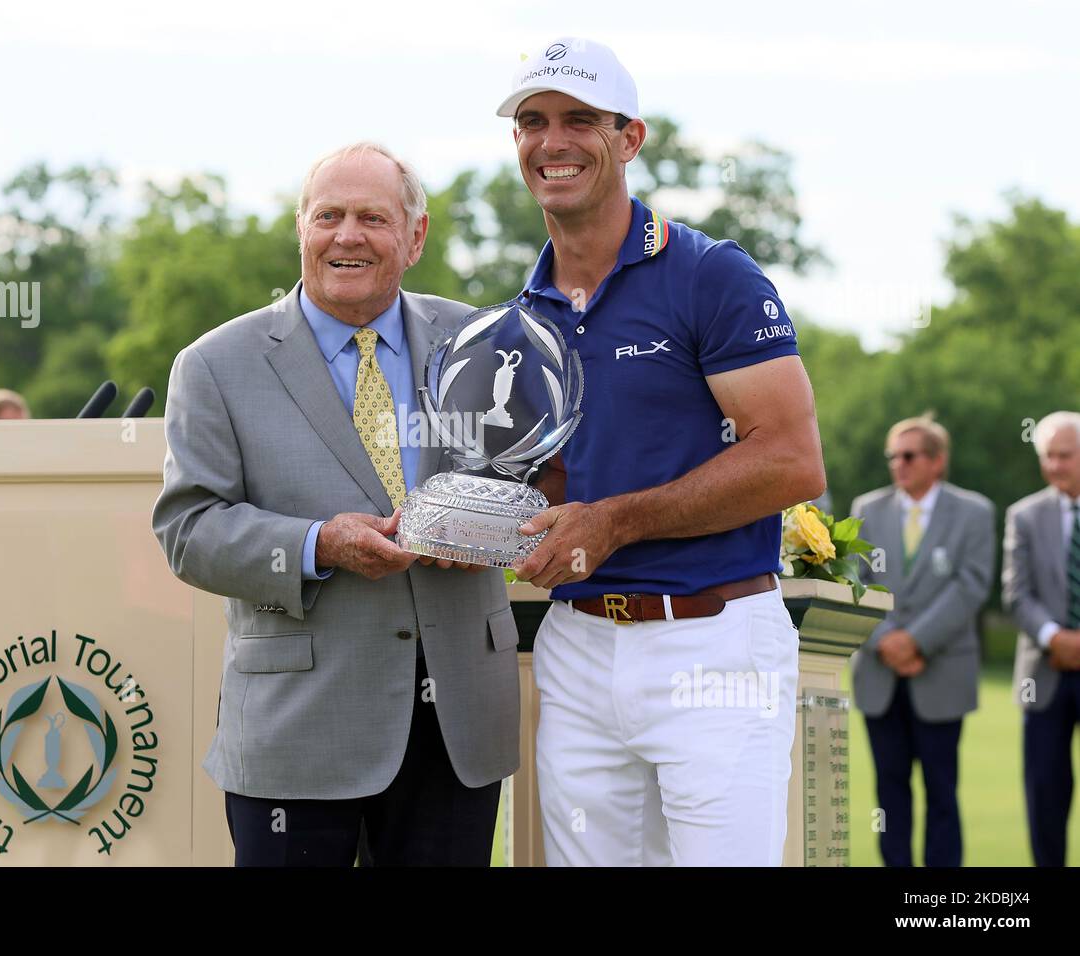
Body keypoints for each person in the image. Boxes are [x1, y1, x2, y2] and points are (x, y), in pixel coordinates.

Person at [503, 36, 825, 866]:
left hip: (711, 641)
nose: (553, 141)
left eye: (581, 119)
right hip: (574, 644)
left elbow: (791, 461)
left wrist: (612, 523)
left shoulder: (711, 274)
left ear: (629, 137)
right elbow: (546, 484)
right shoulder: (519, 314)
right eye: (533, 122)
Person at [152, 142, 520, 866]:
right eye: (329, 215)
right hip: (298, 731)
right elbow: (189, 531)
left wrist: (475, 529)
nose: (347, 235)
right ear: (301, 228)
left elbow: (529, 486)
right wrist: (319, 543)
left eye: (373, 218)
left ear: (414, 238)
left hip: (455, 730)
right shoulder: (215, 366)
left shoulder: (483, 344)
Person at [851, 415, 995, 867]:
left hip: (942, 673)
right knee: (888, 794)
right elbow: (852, 582)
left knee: (941, 792)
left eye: (909, 455)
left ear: (937, 461)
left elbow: (971, 585)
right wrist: (887, 641)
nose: (899, 464)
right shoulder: (866, 509)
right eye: (893, 455)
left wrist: (915, 642)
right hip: (880, 675)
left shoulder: (974, 511)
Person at [1003, 410, 1080, 866]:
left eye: (1064, 456)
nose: (1054, 466)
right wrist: (1057, 638)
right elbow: (1016, 593)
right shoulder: (1024, 515)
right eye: (1047, 456)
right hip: (1044, 675)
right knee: (1045, 796)